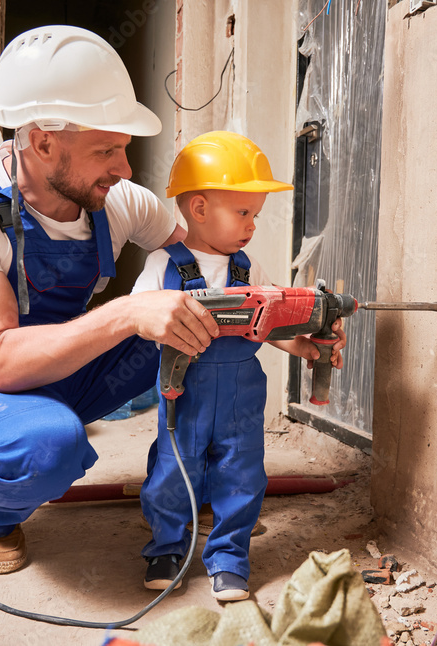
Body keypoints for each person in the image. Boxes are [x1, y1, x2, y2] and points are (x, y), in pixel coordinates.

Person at [0, 26, 220, 574]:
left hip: (74, 363)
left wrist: (287, 323)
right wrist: (127, 312)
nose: (123, 169)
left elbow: (214, 272)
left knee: (198, 306)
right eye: (106, 150)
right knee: (45, 445)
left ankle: (177, 490)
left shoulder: (120, 201)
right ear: (43, 140)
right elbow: (0, 361)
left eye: (124, 149)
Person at [131, 132, 346, 601]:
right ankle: (167, 548)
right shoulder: (162, 264)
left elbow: (272, 324)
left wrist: (306, 345)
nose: (252, 226)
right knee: (173, 469)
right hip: (182, 392)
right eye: (243, 213)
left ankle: (229, 558)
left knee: (241, 473)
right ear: (200, 209)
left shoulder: (250, 271)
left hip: (242, 397)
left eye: (256, 215)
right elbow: (137, 318)